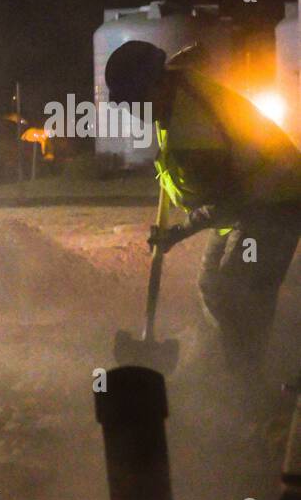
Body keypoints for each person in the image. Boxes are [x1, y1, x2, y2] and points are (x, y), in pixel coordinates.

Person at [106, 39, 301, 387]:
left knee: (238, 290)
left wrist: (179, 233)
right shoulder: (170, 86)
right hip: (247, 198)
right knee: (212, 284)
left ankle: (249, 383)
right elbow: (191, 57)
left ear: (156, 86)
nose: (133, 110)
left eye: (135, 101)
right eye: (128, 103)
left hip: (274, 199)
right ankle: (227, 360)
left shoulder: (191, 129)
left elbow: (229, 201)